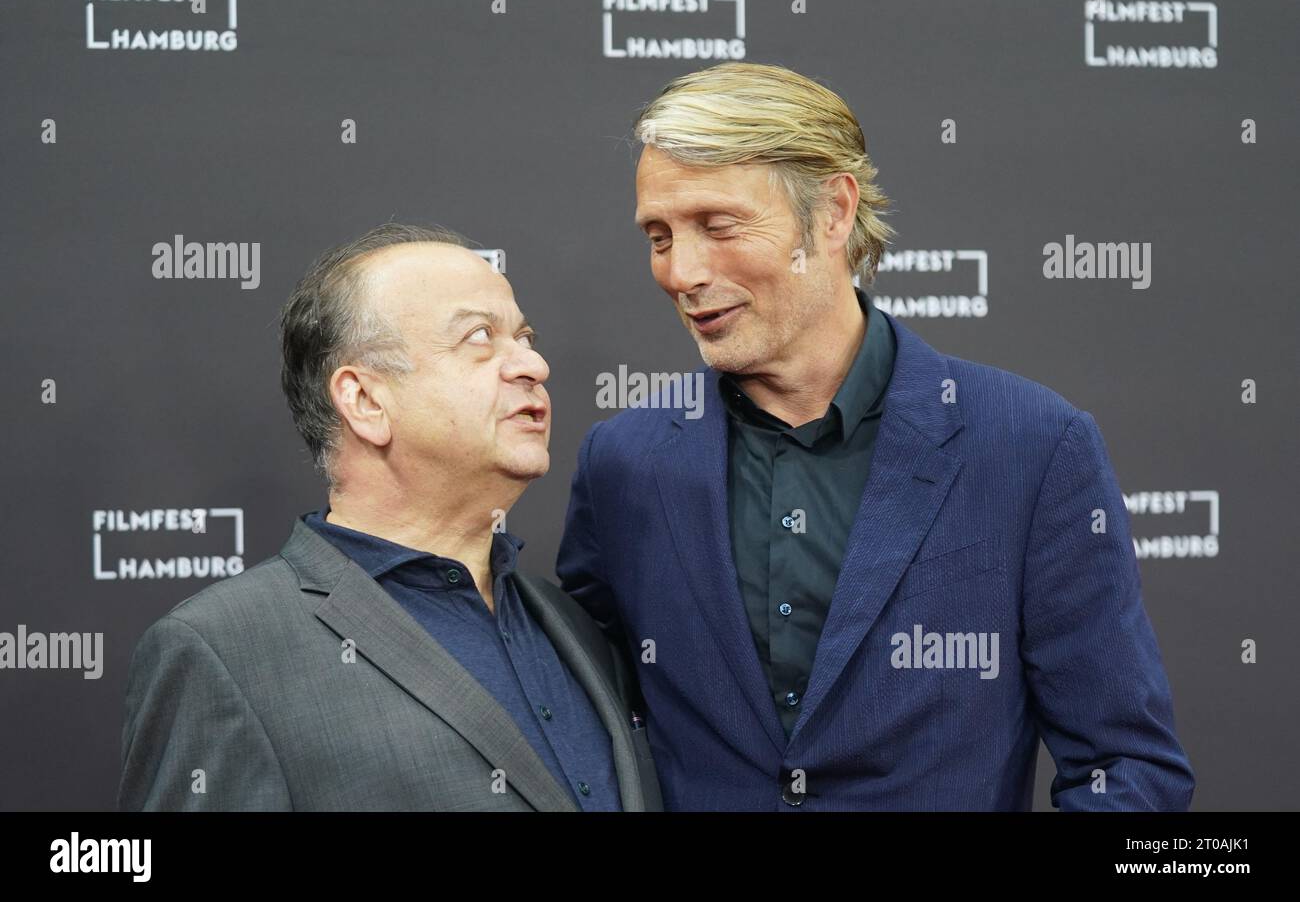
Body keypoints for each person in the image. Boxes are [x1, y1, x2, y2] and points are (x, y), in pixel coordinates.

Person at [557, 63, 1193, 811]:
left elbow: (1127, 770)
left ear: (832, 212)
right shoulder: (623, 463)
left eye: (718, 226)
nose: (682, 271)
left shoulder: (1029, 444)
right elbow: (579, 732)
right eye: (659, 236)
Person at [119, 223, 661, 811]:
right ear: (365, 401)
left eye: (525, 337)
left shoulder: (574, 624)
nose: (532, 364)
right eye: (481, 336)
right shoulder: (224, 651)